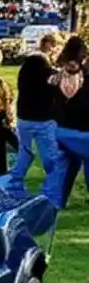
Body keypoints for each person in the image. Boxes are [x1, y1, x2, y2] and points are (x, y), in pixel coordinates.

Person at [6, 33, 68, 202]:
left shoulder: (27, 65)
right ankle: (52, 191)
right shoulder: (43, 67)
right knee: (51, 158)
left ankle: (13, 186)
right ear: (51, 46)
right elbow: (56, 87)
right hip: (43, 118)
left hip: (24, 117)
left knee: (24, 154)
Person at [57, 57, 89, 204]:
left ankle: (59, 199)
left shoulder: (68, 77)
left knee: (68, 166)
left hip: (65, 128)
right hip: (79, 129)